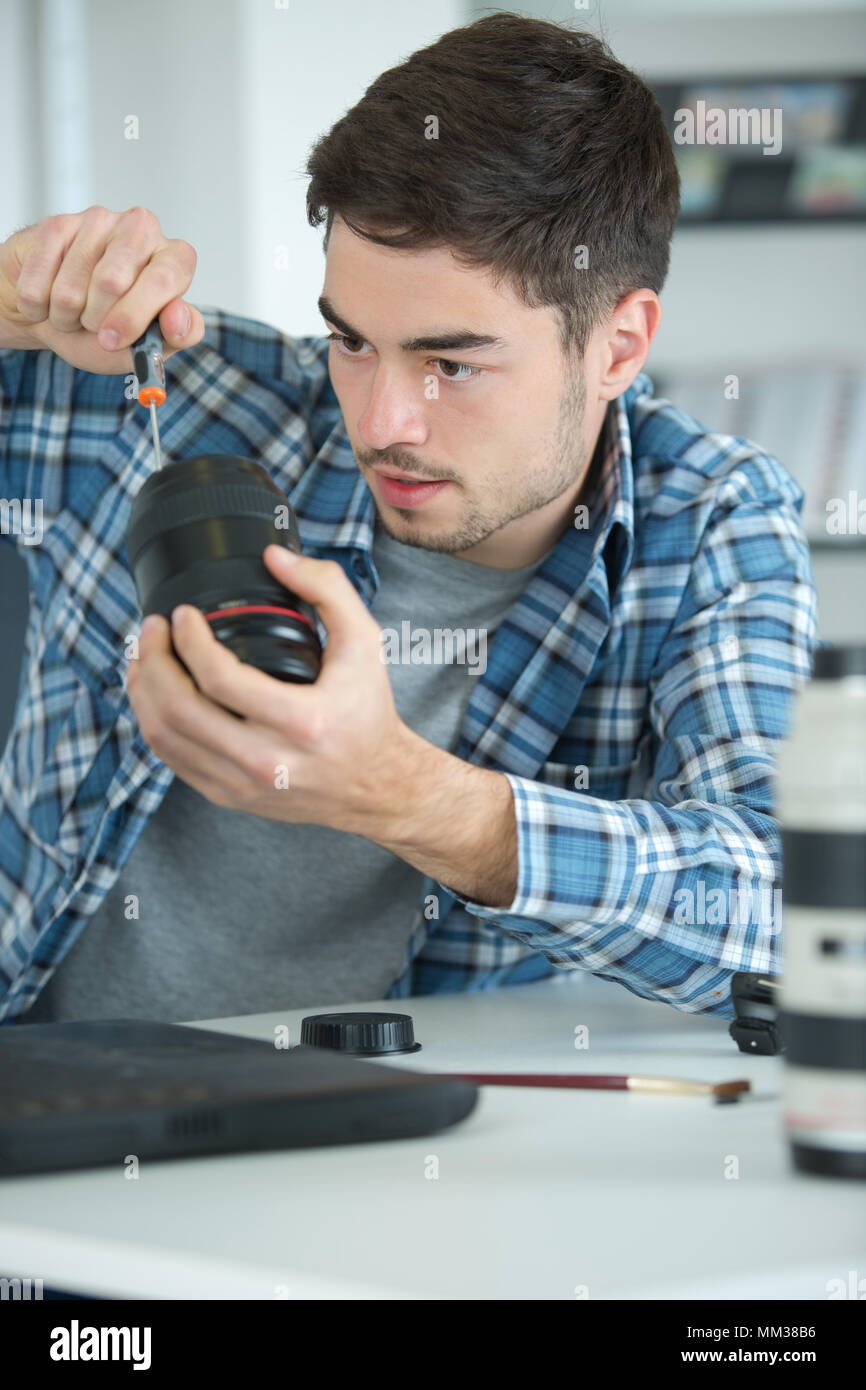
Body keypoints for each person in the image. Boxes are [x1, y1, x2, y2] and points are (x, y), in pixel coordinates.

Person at [0, 14, 817, 1026]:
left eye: (451, 363)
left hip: (420, 1156)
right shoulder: (171, 393)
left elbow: (787, 910)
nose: (380, 422)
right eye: (351, 341)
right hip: (52, 1116)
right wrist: (5, 298)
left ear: (616, 345)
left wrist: (404, 795)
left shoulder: (707, 523)